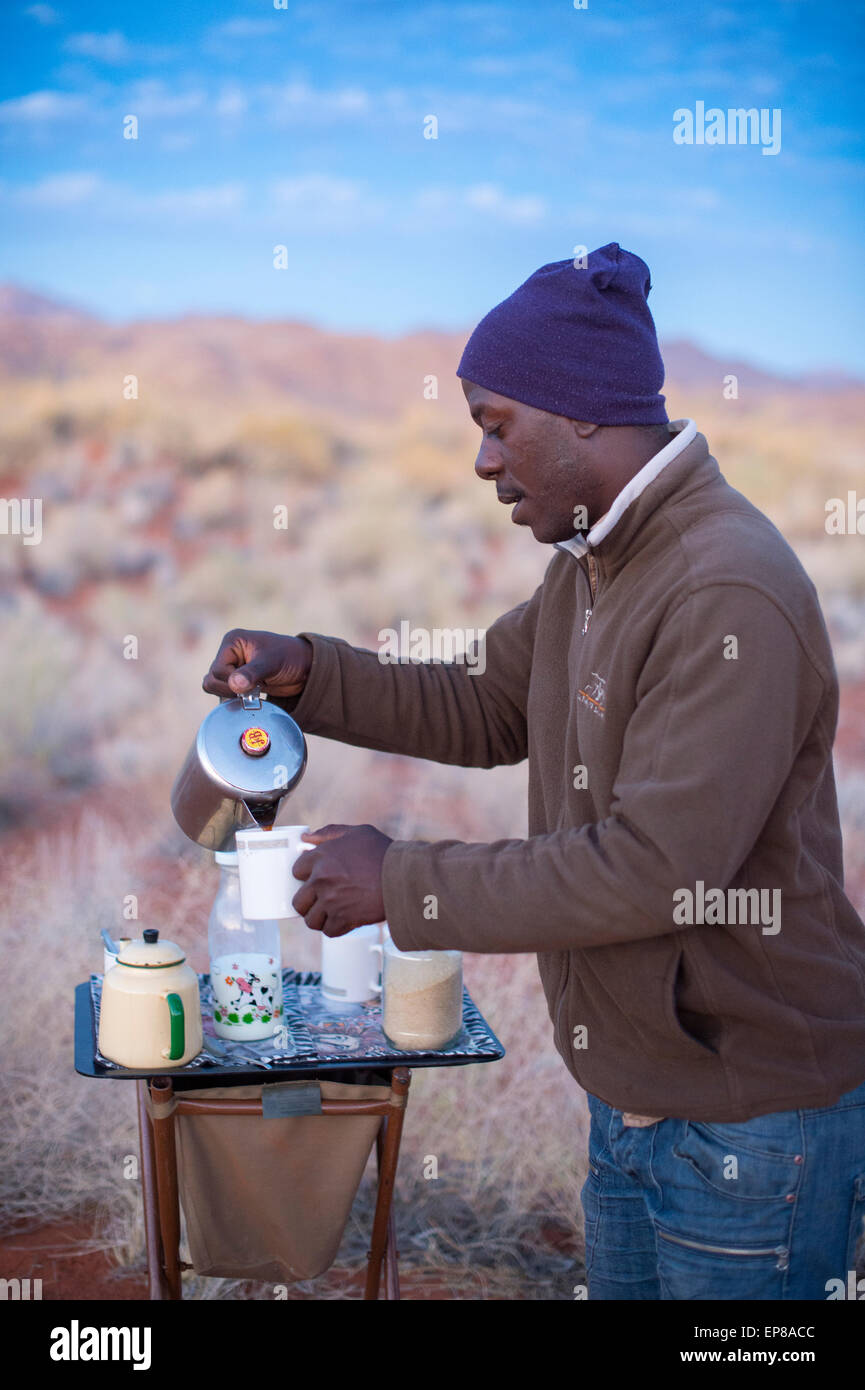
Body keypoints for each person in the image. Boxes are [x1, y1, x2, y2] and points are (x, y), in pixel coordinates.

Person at [203, 243, 865, 1300]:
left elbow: (652, 869)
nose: (483, 462)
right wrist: (307, 672)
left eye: (496, 423)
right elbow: (482, 697)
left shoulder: (720, 589)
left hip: (750, 1125)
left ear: (585, 412)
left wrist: (403, 883)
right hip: (637, 1100)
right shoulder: (598, 564)